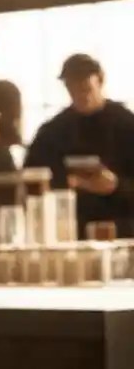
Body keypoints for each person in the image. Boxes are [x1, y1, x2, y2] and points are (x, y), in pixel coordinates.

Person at [25, 54, 134, 237]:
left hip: (122, 230)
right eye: (72, 90)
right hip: (68, 229)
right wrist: (61, 184)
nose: (80, 96)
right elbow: (32, 177)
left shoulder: (128, 126)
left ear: (100, 81)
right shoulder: (52, 132)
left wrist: (117, 185)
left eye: (85, 89)